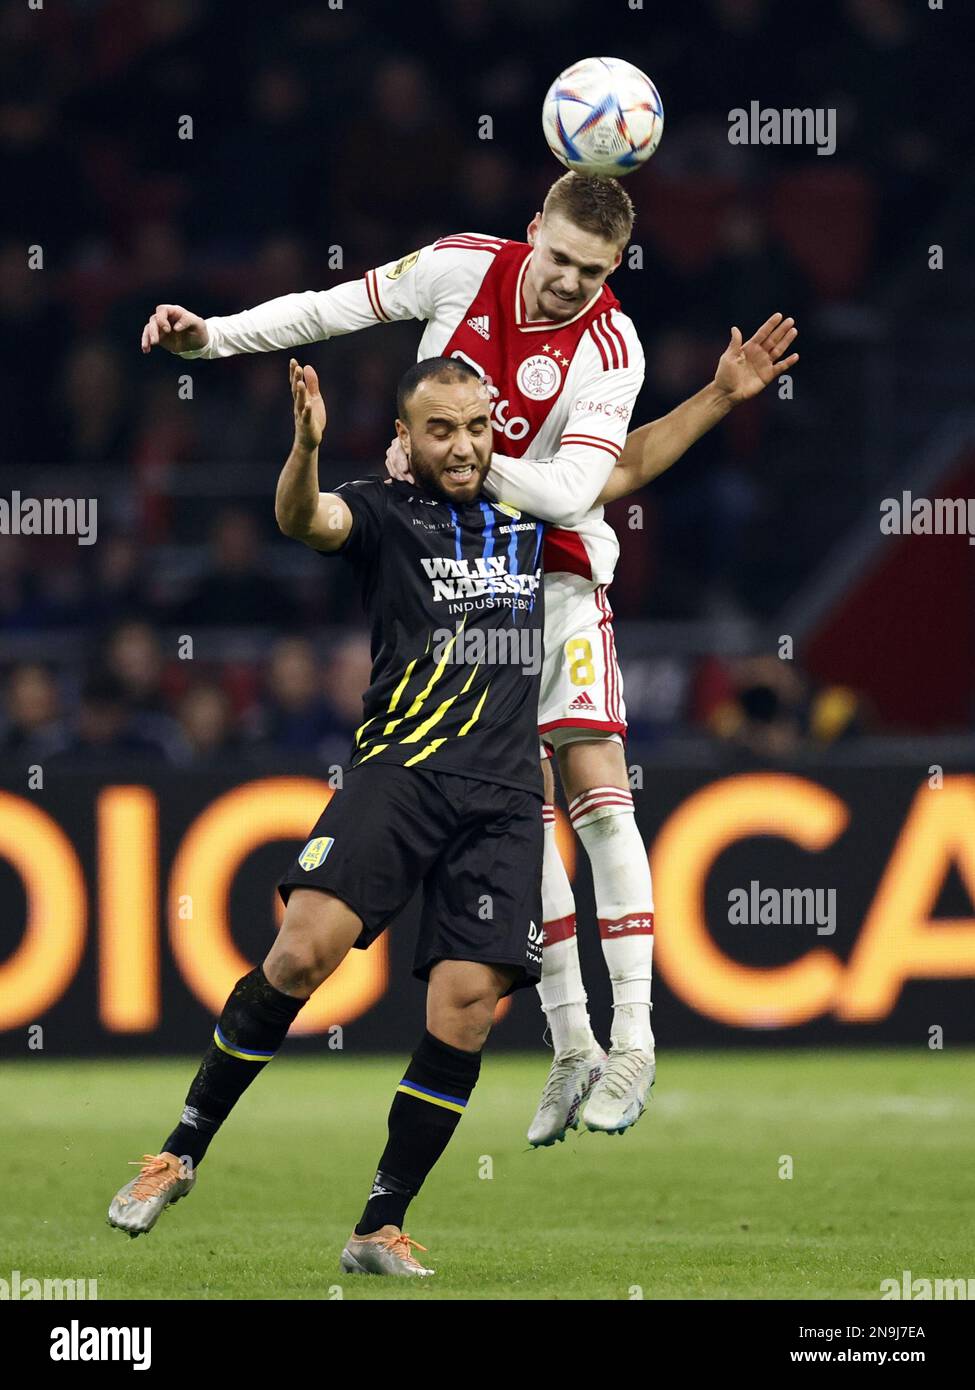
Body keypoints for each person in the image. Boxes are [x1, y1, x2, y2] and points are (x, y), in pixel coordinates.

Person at [140, 173, 799, 1143]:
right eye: (561, 258)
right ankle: (572, 1041)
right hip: (450, 573)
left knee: (598, 792)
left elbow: (584, 487)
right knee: (515, 805)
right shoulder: (458, 267)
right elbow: (332, 307)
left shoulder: (612, 344)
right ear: (534, 231)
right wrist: (213, 335)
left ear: (617, 269)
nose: (571, 283)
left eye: (595, 270)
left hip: (558, 574)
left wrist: (457, 455)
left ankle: (637, 1044)